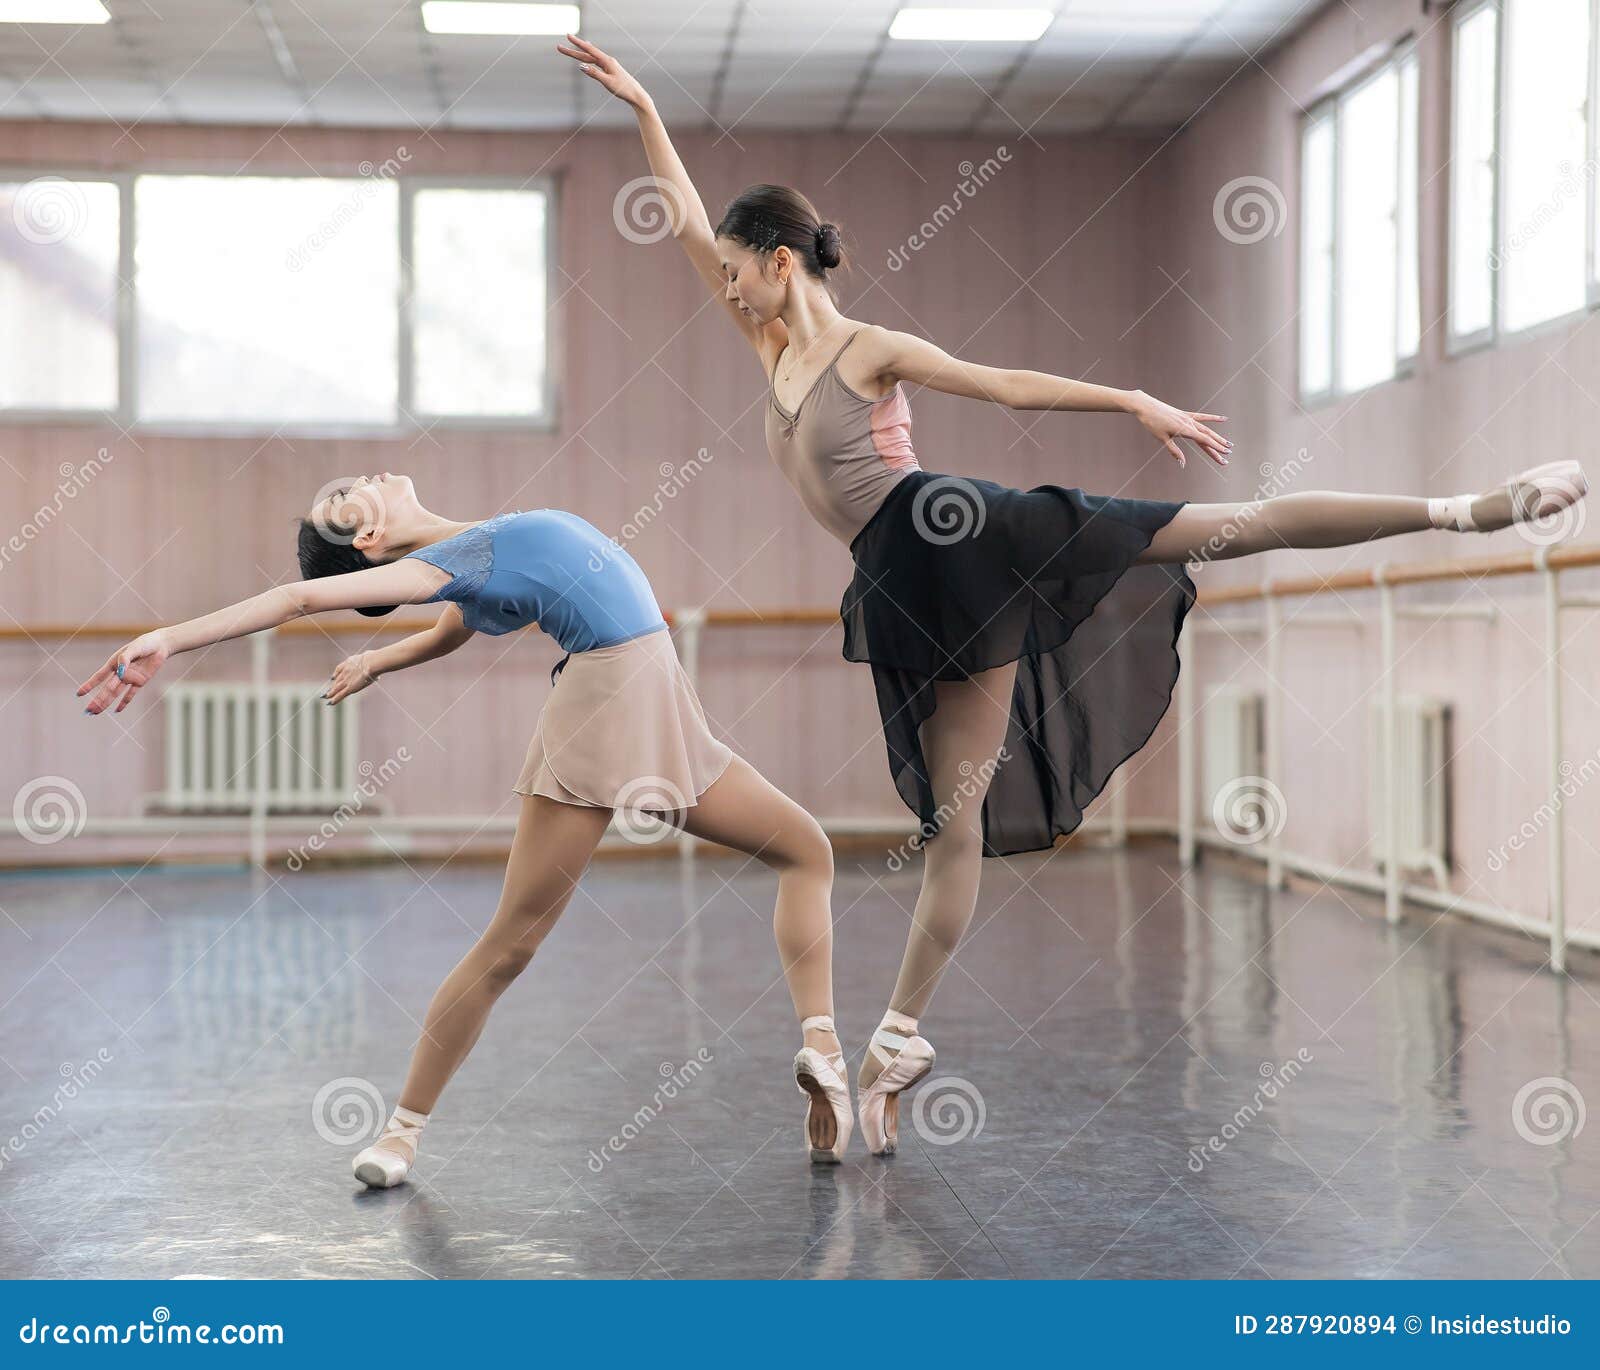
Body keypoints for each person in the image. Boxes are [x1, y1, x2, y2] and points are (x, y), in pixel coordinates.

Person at [558, 31, 1590, 1156]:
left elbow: (1002, 384)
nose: (721, 276)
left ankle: (1464, 510)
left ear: (779, 259)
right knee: (953, 826)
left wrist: (1131, 399)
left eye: (735, 263)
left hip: (951, 536)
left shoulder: (864, 346)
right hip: (907, 579)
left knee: (1216, 528)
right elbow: (679, 215)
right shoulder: (766, 349)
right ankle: (892, 1041)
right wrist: (647, 106)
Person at [76, 472, 855, 1180]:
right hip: (616, 697)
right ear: (371, 543)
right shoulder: (457, 557)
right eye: (344, 505)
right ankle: (400, 1132)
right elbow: (298, 600)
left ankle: (823, 1050)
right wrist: (168, 638)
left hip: (656, 700)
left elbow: (453, 628)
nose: (360, 481)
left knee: (803, 850)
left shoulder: (471, 561)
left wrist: (381, 662)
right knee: (509, 942)